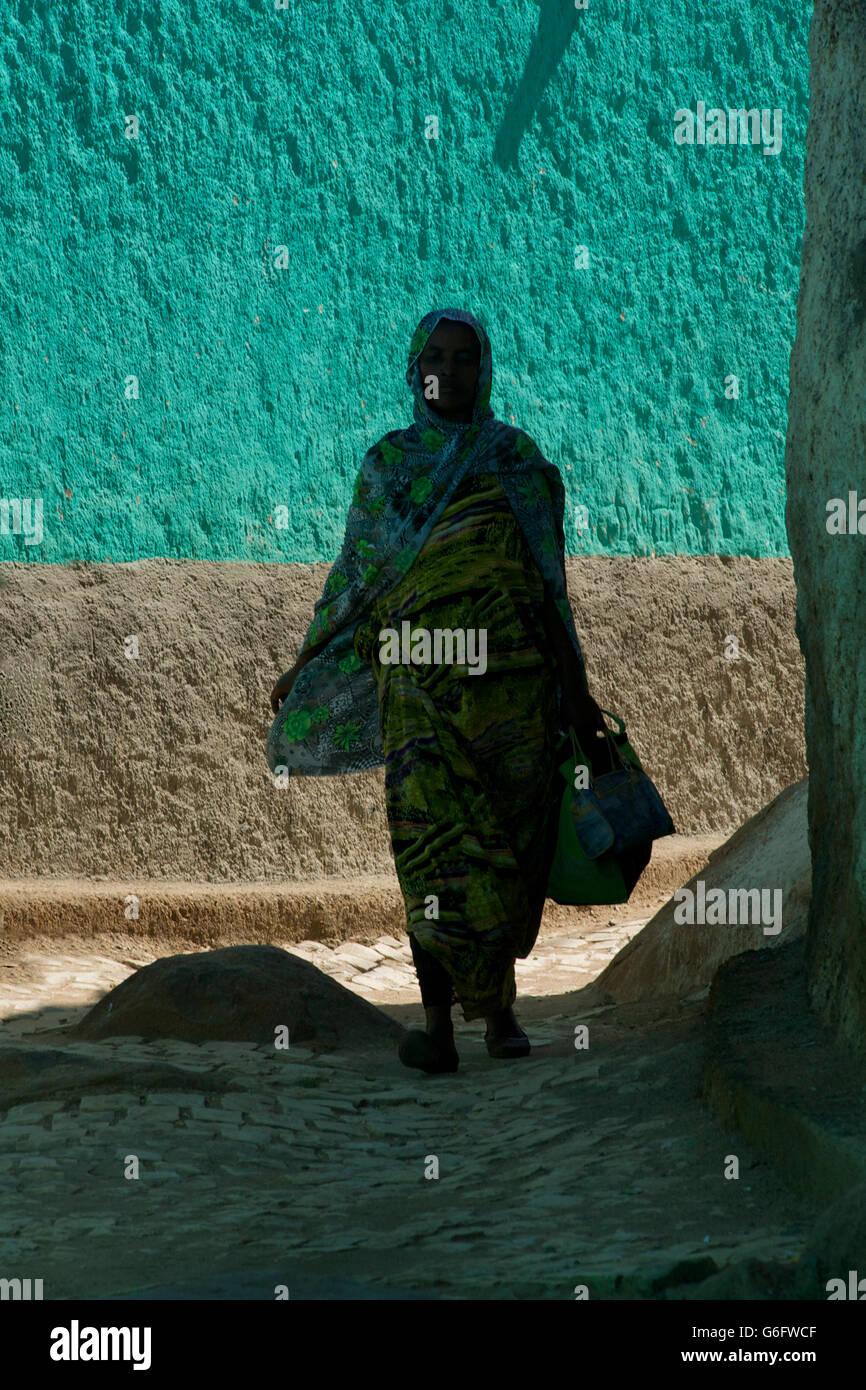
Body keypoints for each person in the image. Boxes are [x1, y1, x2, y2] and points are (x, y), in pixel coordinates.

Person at [268, 308, 605, 1074]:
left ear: (483, 370)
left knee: (506, 855)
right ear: (414, 367)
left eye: (464, 359)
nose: (448, 372)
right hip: (417, 694)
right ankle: (438, 1027)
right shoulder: (388, 466)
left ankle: (501, 1017)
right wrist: (308, 660)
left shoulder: (516, 461)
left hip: (510, 697)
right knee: (434, 851)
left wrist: (576, 690)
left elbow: (549, 588)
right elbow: (355, 580)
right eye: (436, 358)